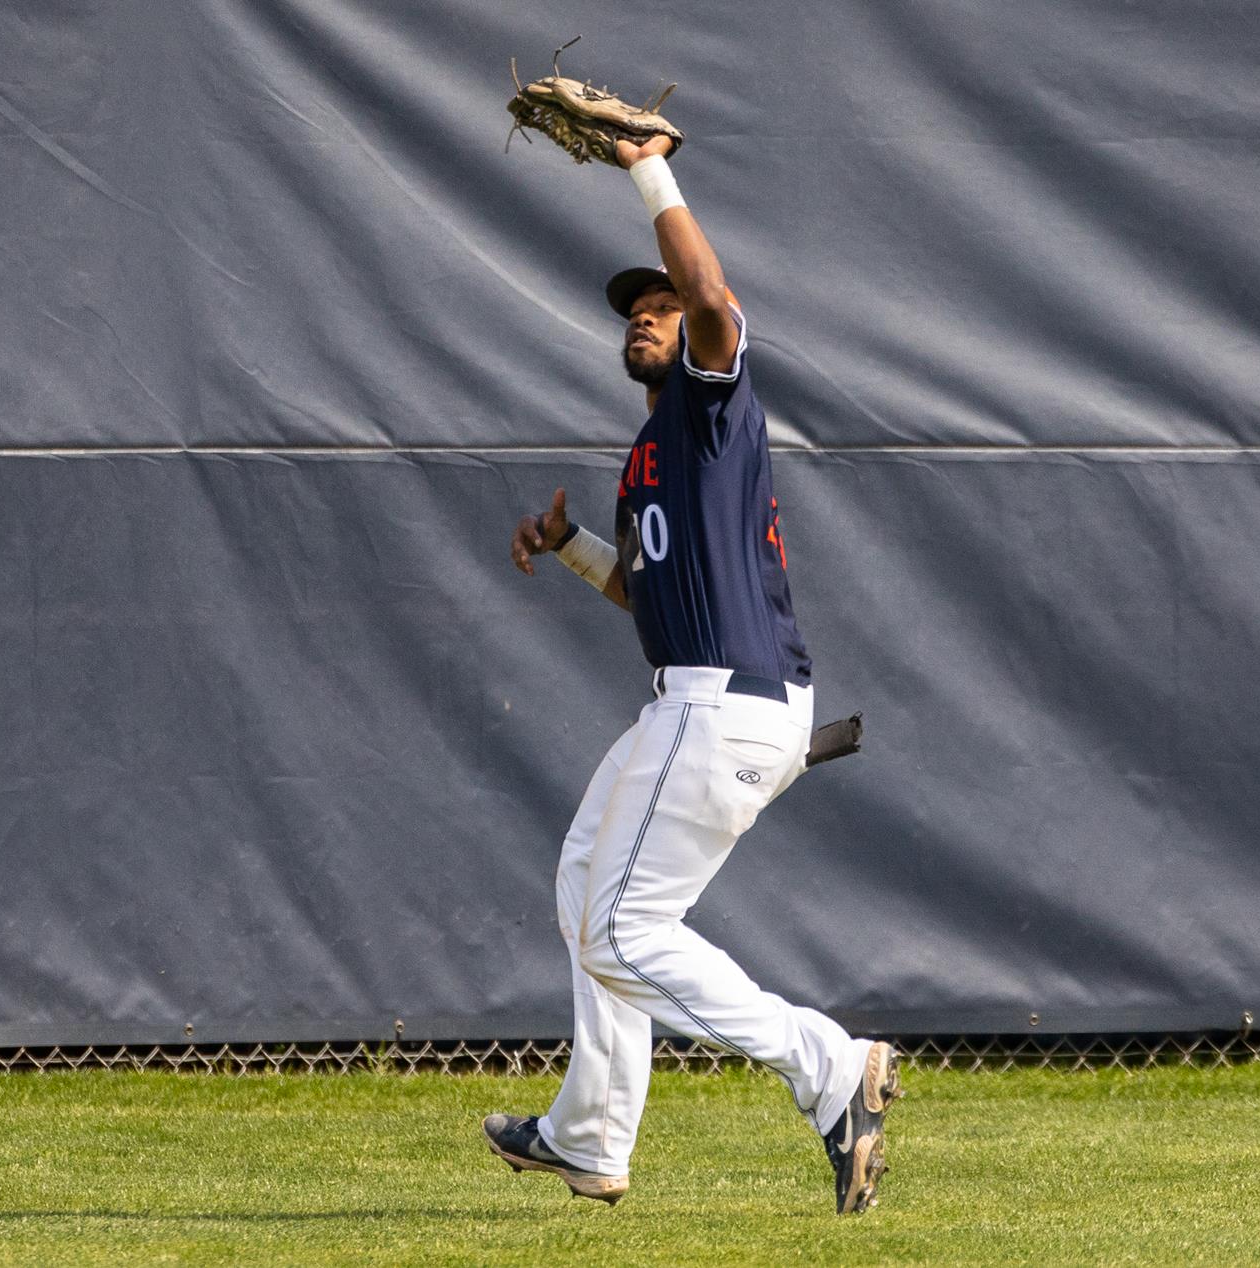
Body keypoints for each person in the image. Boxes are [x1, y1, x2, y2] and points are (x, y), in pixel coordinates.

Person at [484, 135, 900, 1216]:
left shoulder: (712, 408)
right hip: (690, 701)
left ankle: (827, 1065)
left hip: (721, 703)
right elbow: (646, 594)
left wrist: (645, 171)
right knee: (585, 890)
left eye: (659, 304)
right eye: (635, 304)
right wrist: (575, 549)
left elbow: (715, 294)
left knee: (625, 929)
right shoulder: (650, 448)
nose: (646, 312)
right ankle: (588, 1134)